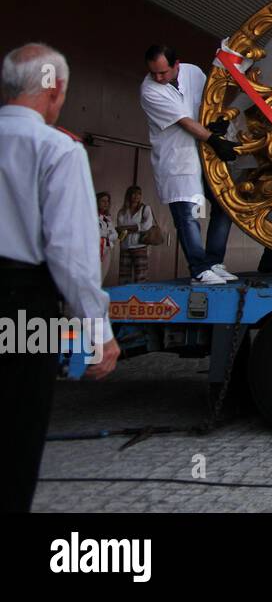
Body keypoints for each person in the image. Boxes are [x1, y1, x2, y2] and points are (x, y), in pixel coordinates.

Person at [1, 43, 119, 512]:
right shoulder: (56, 150)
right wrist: (98, 334)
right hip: (21, 302)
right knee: (15, 429)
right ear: (54, 90)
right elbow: (71, 254)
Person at [140, 45, 239, 285]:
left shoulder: (193, 72)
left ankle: (214, 261)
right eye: (154, 73)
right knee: (187, 215)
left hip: (203, 155)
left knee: (224, 205)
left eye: (163, 72)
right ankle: (199, 269)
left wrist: (218, 123)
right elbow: (184, 121)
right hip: (177, 160)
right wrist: (214, 140)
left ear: (177, 65)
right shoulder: (149, 91)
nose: (158, 78)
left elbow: (209, 100)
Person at [115, 185, 155, 283]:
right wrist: (136, 227)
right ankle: (124, 297)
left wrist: (128, 228)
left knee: (141, 276)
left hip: (140, 246)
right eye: (134, 193)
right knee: (124, 277)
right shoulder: (123, 211)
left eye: (139, 194)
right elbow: (120, 228)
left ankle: (140, 297)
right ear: (129, 195)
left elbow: (146, 226)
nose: (136, 196)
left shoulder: (145, 208)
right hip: (125, 246)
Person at [95, 191, 115, 282]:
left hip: (106, 249)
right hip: (95, 249)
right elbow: (94, 232)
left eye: (107, 201)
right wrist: (106, 234)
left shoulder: (108, 218)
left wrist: (105, 235)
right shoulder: (91, 215)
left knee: (102, 276)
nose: (106, 203)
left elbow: (115, 235)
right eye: (103, 201)